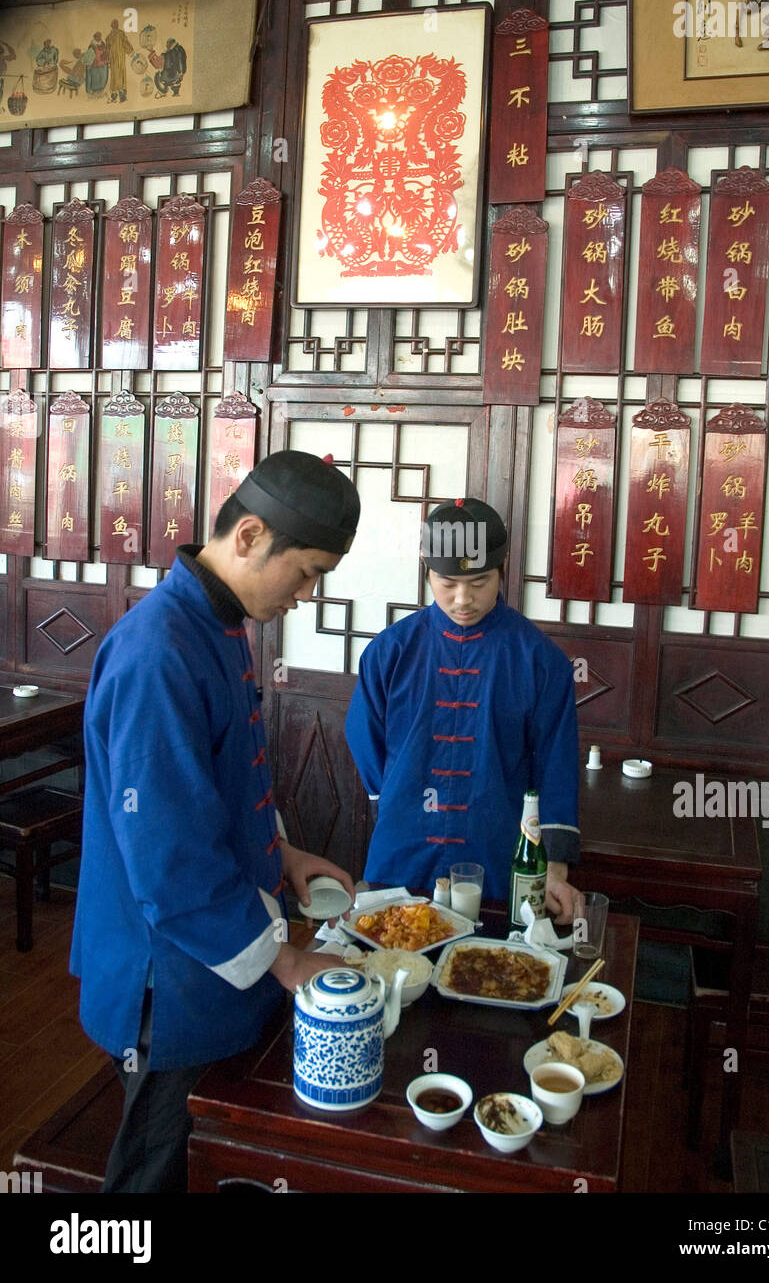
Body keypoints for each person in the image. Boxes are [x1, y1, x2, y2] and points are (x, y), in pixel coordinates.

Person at [71, 450, 360, 1192]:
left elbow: (215, 792)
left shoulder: (218, 623)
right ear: (251, 535)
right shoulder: (157, 653)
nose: (309, 592)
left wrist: (286, 853)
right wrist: (291, 963)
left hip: (218, 957)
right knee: (152, 1177)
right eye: (306, 571)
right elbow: (171, 861)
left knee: (209, 1160)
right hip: (167, 974)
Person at [345, 498, 581, 921]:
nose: (462, 599)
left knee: (486, 966)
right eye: (446, 582)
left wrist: (555, 868)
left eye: (479, 582)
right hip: (405, 839)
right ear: (426, 569)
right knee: (391, 953)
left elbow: (556, 766)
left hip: (496, 843)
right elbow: (366, 737)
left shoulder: (540, 660)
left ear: (502, 567)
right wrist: (401, 796)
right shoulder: (390, 651)